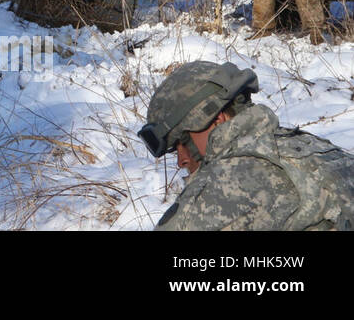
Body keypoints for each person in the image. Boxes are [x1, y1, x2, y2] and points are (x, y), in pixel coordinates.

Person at [139, 60, 354, 230]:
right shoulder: (309, 145)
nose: (181, 160)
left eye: (182, 142)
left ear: (216, 120)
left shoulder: (223, 183)